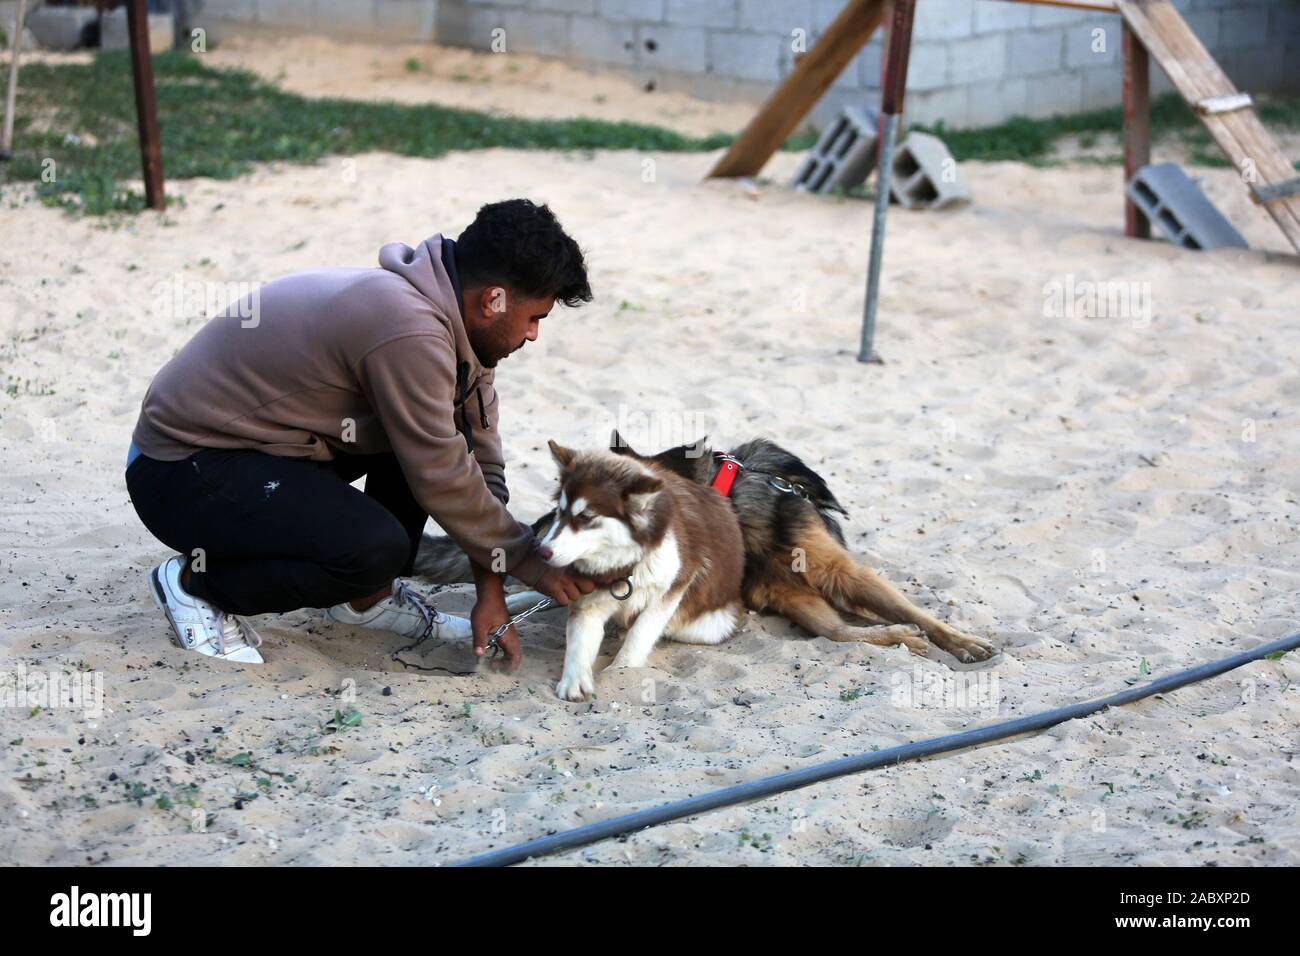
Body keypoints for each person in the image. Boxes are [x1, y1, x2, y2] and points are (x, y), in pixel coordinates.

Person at [125, 198, 596, 671]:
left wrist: (490, 591)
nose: (534, 335)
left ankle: (365, 600)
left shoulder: (460, 332)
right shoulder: (409, 329)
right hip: (180, 471)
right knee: (374, 547)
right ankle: (195, 587)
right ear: (493, 300)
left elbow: (476, 470)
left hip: (264, 450)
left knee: (427, 448)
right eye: (535, 317)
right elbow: (442, 476)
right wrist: (531, 565)